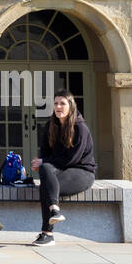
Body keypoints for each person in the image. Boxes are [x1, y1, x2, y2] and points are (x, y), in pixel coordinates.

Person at [30, 88, 96, 246]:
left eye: (62, 103)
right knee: (46, 169)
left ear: (71, 106)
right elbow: (45, 153)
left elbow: (72, 159)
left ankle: (47, 233)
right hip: (60, 168)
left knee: (46, 185)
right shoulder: (50, 126)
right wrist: (42, 162)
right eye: (56, 103)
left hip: (82, 172)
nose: (58, 107)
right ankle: (55, 211)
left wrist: (44, 160)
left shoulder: (80, 128)